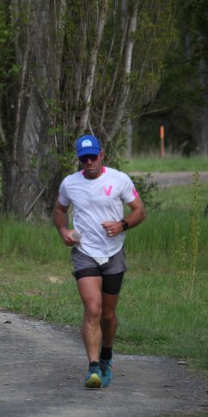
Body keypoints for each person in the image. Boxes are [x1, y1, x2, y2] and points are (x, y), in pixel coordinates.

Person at [53, 134, 146, 389]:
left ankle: (106, 355)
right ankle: (93, 367)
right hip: (85, 252)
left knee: (108, 314)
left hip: (114, 253)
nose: (89, 162)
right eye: (84, 159)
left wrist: (122, 224)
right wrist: (64, 233)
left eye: (93, 157)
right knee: (92, 308)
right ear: (79, 160)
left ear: (101, 155)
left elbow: (140, 210)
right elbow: (59, 210)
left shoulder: (119, 179)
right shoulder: (70, 184)